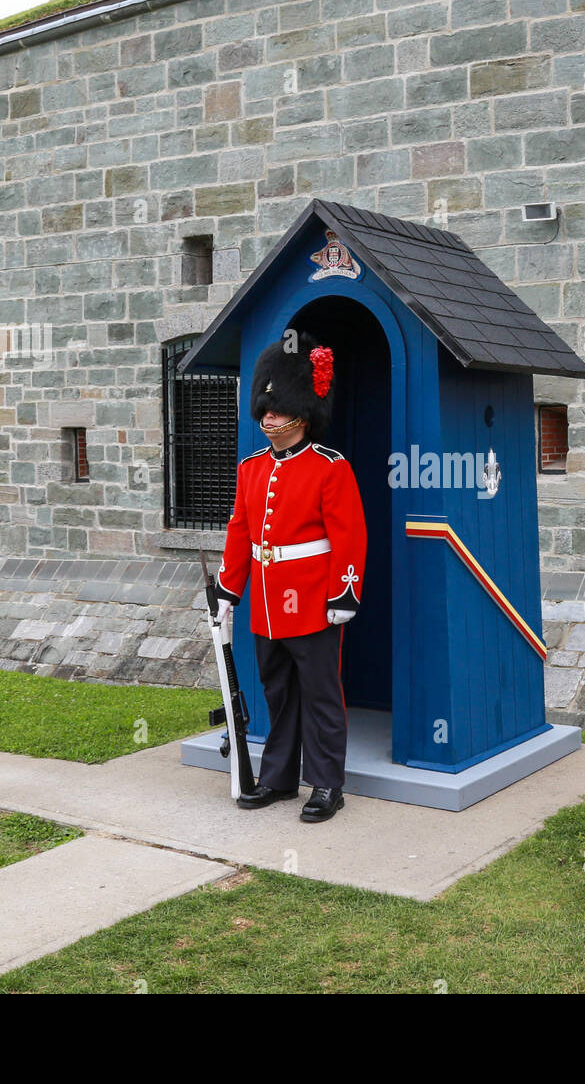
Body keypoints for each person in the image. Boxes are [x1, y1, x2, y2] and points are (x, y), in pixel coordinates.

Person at [214, 331, 367, 822]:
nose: (268, 416)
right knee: (278, 693)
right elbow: (241, 532)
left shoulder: (330, 467)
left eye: (277, 409)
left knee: (321, 694)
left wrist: (344, 591)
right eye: (265, 408)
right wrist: (228, 586)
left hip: (312, 596)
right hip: (265, 600)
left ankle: (326, 784)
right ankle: (278, 778)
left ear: (302, 413)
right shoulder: (251, 468)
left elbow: (349, 535)